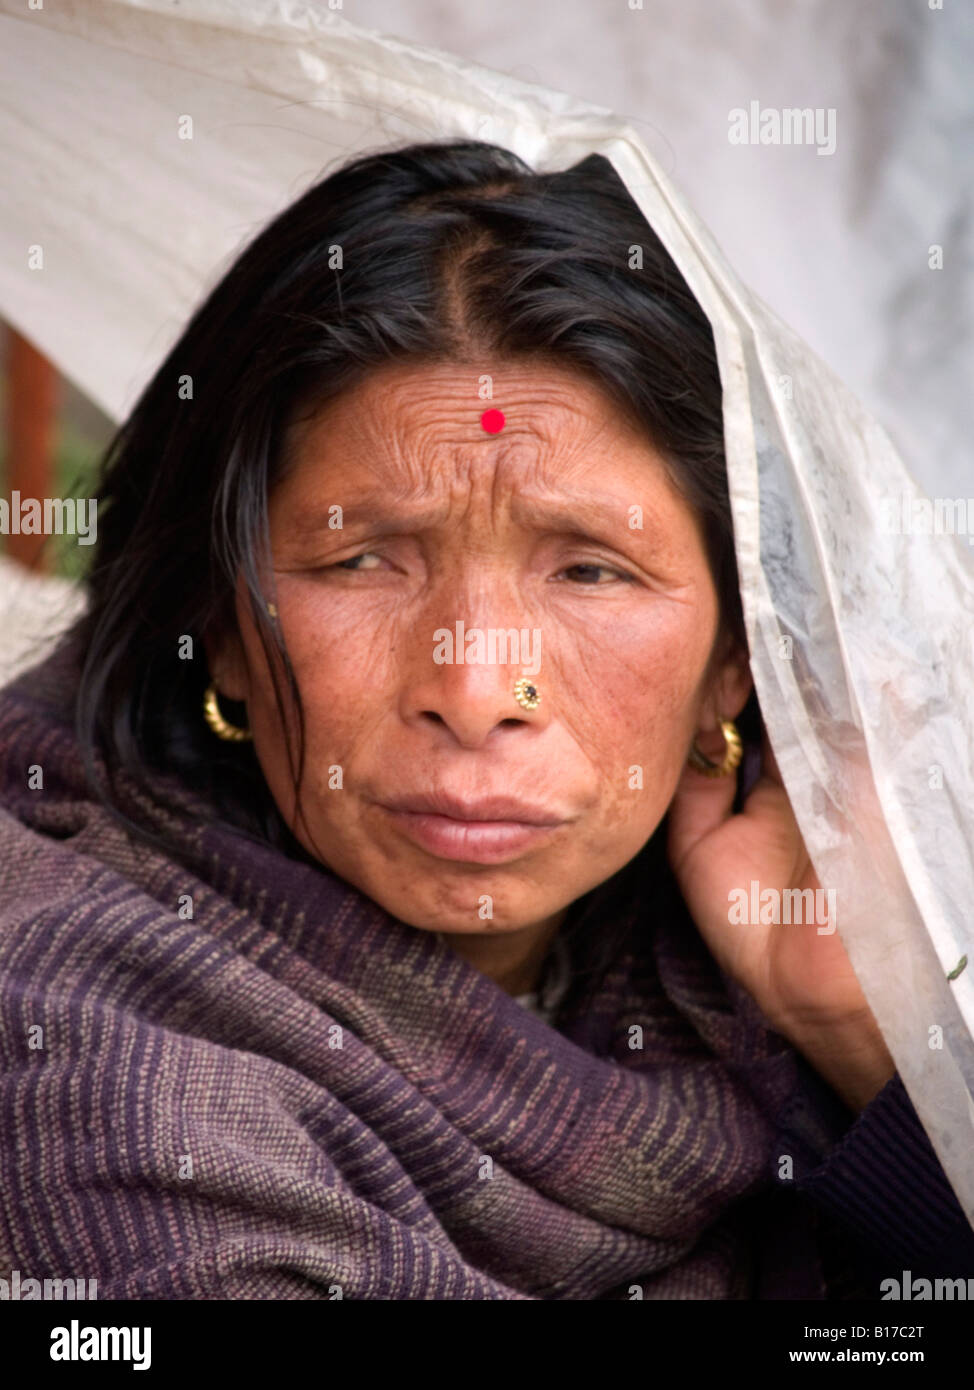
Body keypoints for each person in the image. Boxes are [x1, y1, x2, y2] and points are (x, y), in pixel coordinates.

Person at [0, 139, 971, 1300]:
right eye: (360, 559)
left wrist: (861, 1030)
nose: (472, 691)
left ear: (734, 655)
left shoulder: (719, 995)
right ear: (217, 619)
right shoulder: (83, 1052)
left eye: (592, 573)